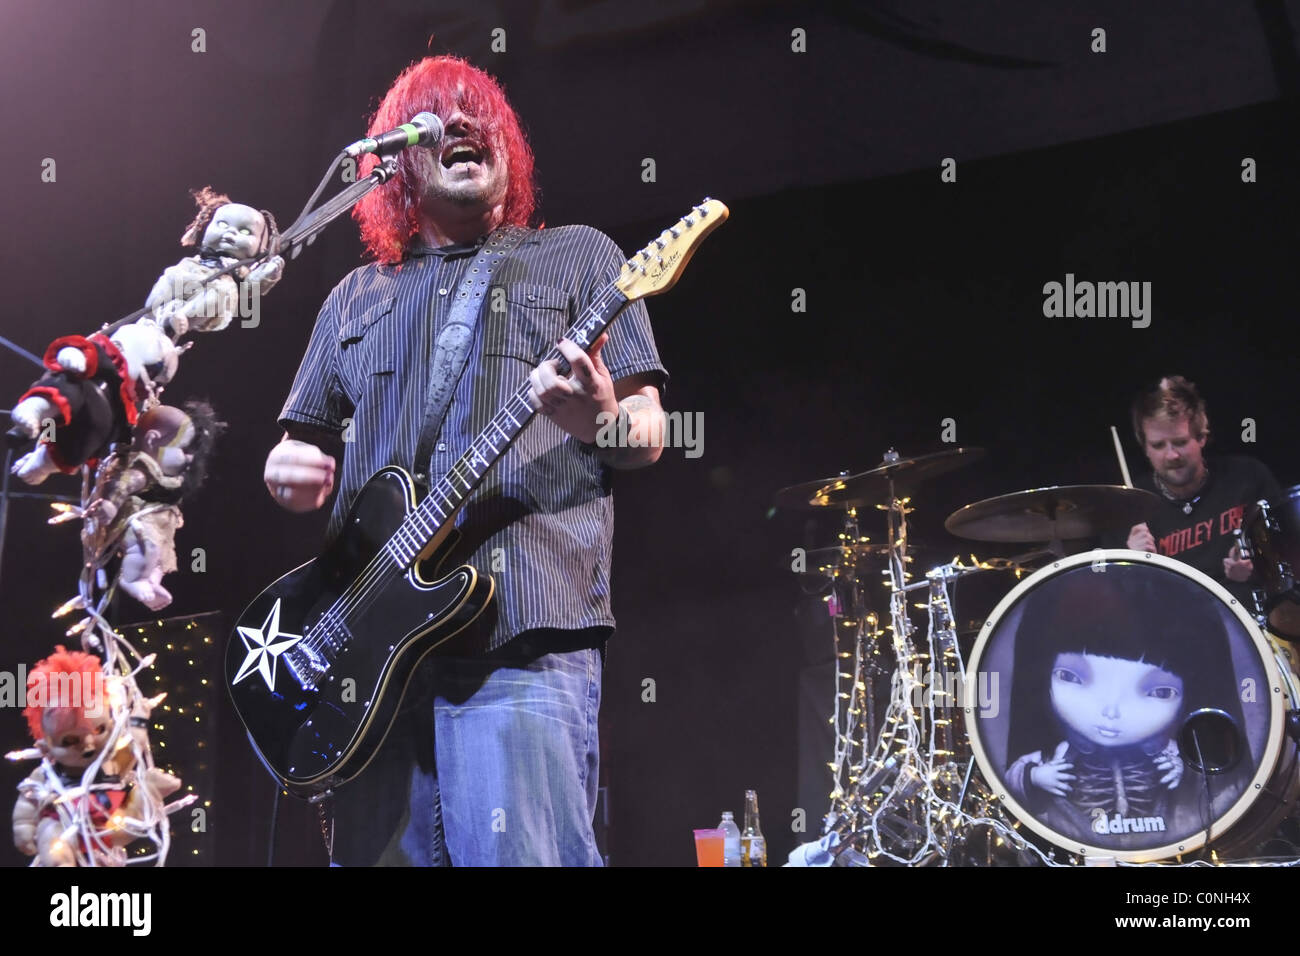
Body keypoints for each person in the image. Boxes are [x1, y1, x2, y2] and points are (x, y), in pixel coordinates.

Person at [261, 55, 668, 866]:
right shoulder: (355, 295)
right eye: (437, 113)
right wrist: (289, 470)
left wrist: (600, 420)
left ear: (507, 147)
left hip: (517, 632)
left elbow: (649, 436)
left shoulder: (582, 259)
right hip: (365, 664)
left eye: (480, 110)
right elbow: (296, 444)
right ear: (397, 158)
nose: (463, 121)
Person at [1111, 375, 1283, 609]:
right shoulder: (1128, 505)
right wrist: (1131, 563)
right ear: (1145, 448)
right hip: (1173, 632)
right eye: (1158, 445)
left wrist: (1258, 567)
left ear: (1202, 436)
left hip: (1252, 624)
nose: (1171, 455)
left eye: (1180, 442)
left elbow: (1289, 556)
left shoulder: (1248, 478)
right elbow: (1120, 604)